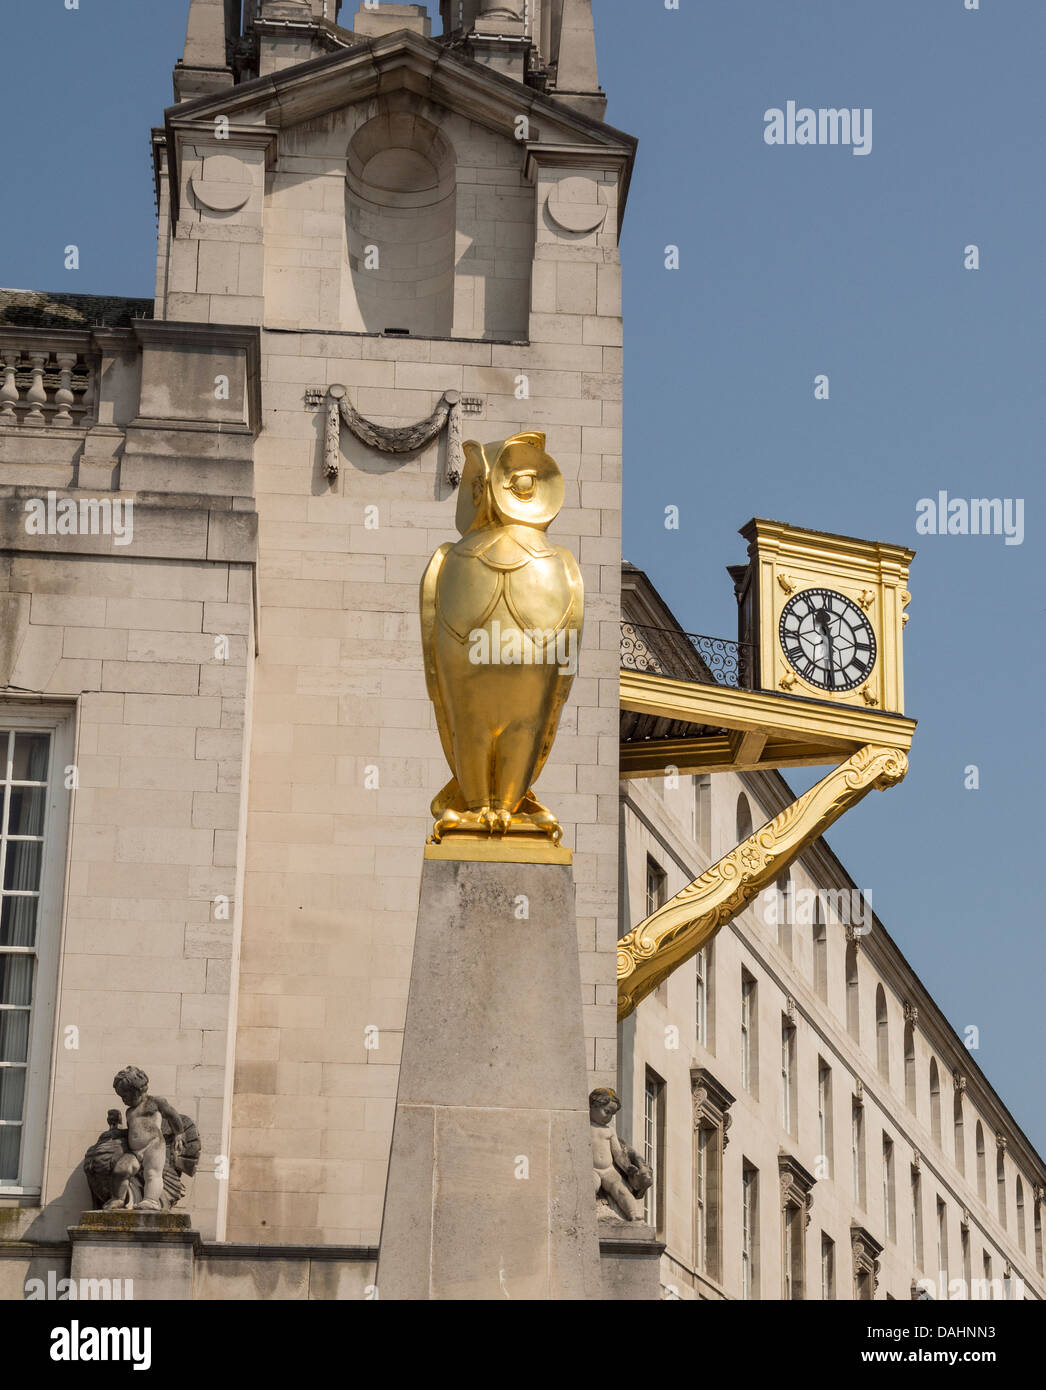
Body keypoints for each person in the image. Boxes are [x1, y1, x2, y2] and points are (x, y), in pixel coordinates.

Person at [104, 1066, 184, 1212]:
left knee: (152, 1173)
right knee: (120, 1170)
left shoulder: (155, 1102)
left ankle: (151, 1201)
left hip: (154, 1145)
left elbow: (173, 1115)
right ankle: (118, 1198)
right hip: (134, 1151)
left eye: (126, 1095)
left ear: (138, 1090)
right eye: (121, 1097)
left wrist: (179, 1134)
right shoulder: (129, 1111)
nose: (123, 1100)